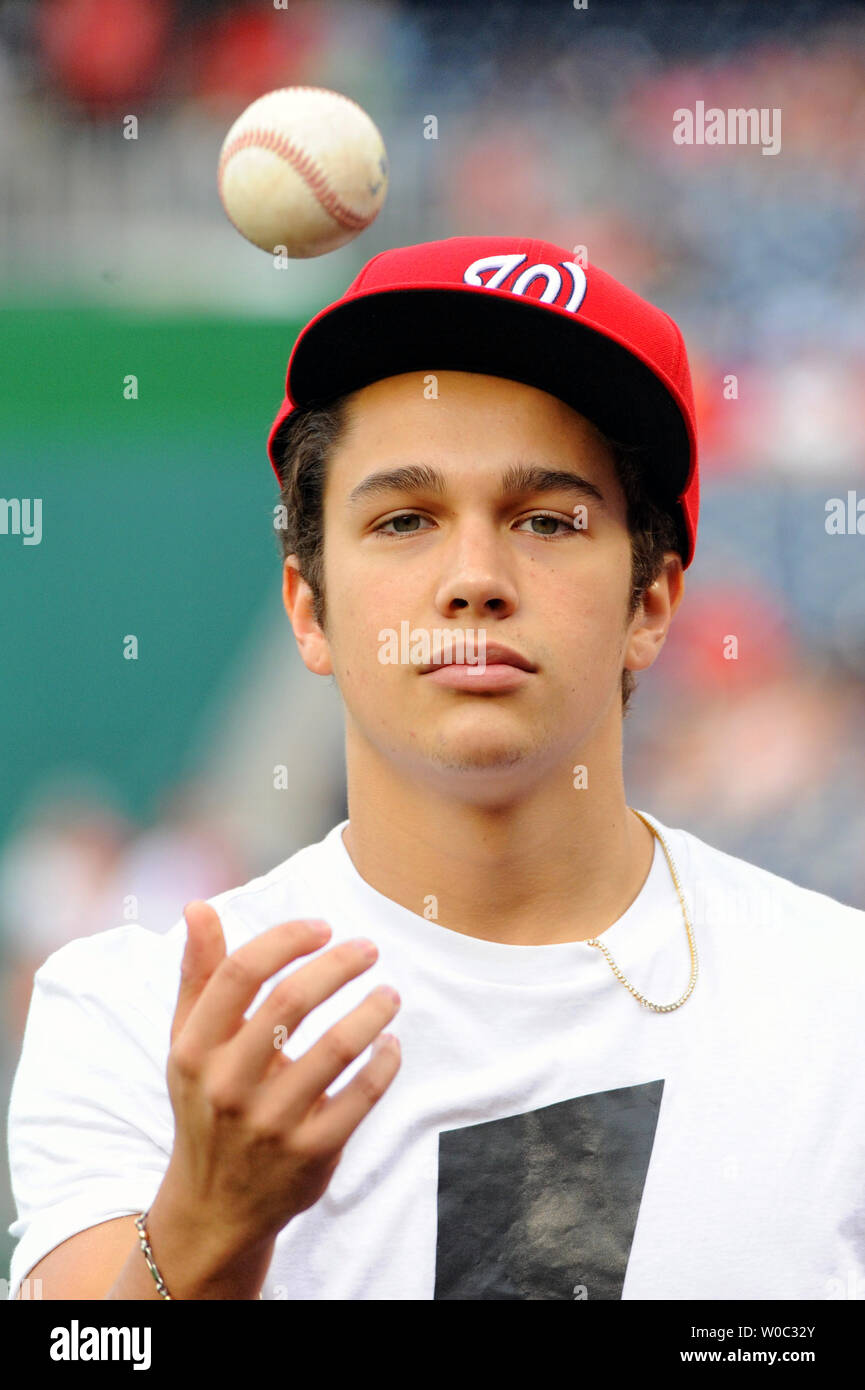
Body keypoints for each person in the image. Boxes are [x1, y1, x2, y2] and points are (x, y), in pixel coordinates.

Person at [7, 236, 865, 1301]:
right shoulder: (138, 1013)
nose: (473, 577)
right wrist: (204, 1221)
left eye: (547, 520)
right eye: (404, 520)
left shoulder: (842, 1011)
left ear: (652, 605)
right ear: (308, 608)